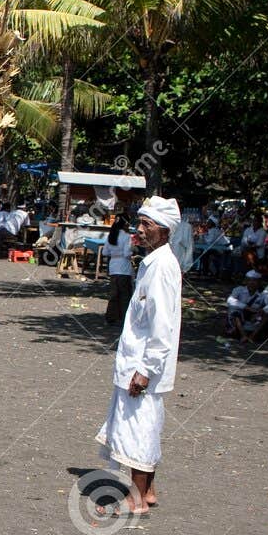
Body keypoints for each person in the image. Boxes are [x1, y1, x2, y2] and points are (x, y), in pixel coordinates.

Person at [95, 196, 182, 517]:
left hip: (143, 366)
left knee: (139, 430)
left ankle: (136, 499)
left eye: (148, 225)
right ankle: (150, 491)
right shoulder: (153, 262)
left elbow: (162, 326)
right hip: (135, 360)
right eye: (140, 223)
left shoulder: (161, 268)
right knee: (145, 425)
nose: (140, 230)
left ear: (164, 230)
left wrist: (145, 369)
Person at [104, 221, 134, 325]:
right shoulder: (127, 237)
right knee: (124, 293)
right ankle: (125, 317)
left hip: (113, 266)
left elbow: (105, 252)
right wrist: (132, 252)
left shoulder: (111, 236)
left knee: (114, 293)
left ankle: (111, 316)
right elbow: (127, 253)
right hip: (124, 267)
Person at [225, 270, 264, 341]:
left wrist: (261, 311)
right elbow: (230, 300)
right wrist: (247, 307)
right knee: (234, 310)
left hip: (253, 320)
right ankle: (243, 335)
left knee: (267, 314)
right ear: (245, 281)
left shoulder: (263, 294)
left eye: (254, 280)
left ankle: (253, 335)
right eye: (249, 280)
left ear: (259, 282)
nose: (251, 283)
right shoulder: (239, 290)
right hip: (237, 321)